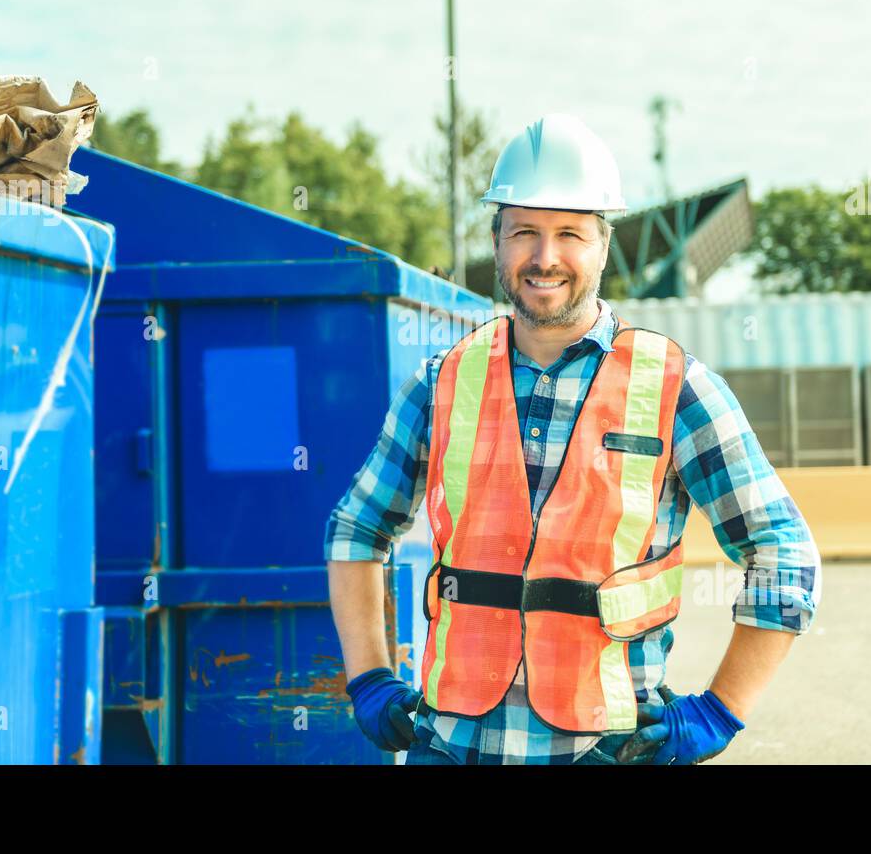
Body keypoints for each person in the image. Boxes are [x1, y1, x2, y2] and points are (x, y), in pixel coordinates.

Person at [324, 112, 822, 765]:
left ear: (603, 245)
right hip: (451, 745)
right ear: (497, 241)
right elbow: (355, 530)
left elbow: (783, 553)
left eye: (569, 234)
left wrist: (722, 709)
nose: (545, 257)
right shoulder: (441, 383)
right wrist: (367, 676)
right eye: (523, 232)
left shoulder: (674, 388)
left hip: (606, 749)